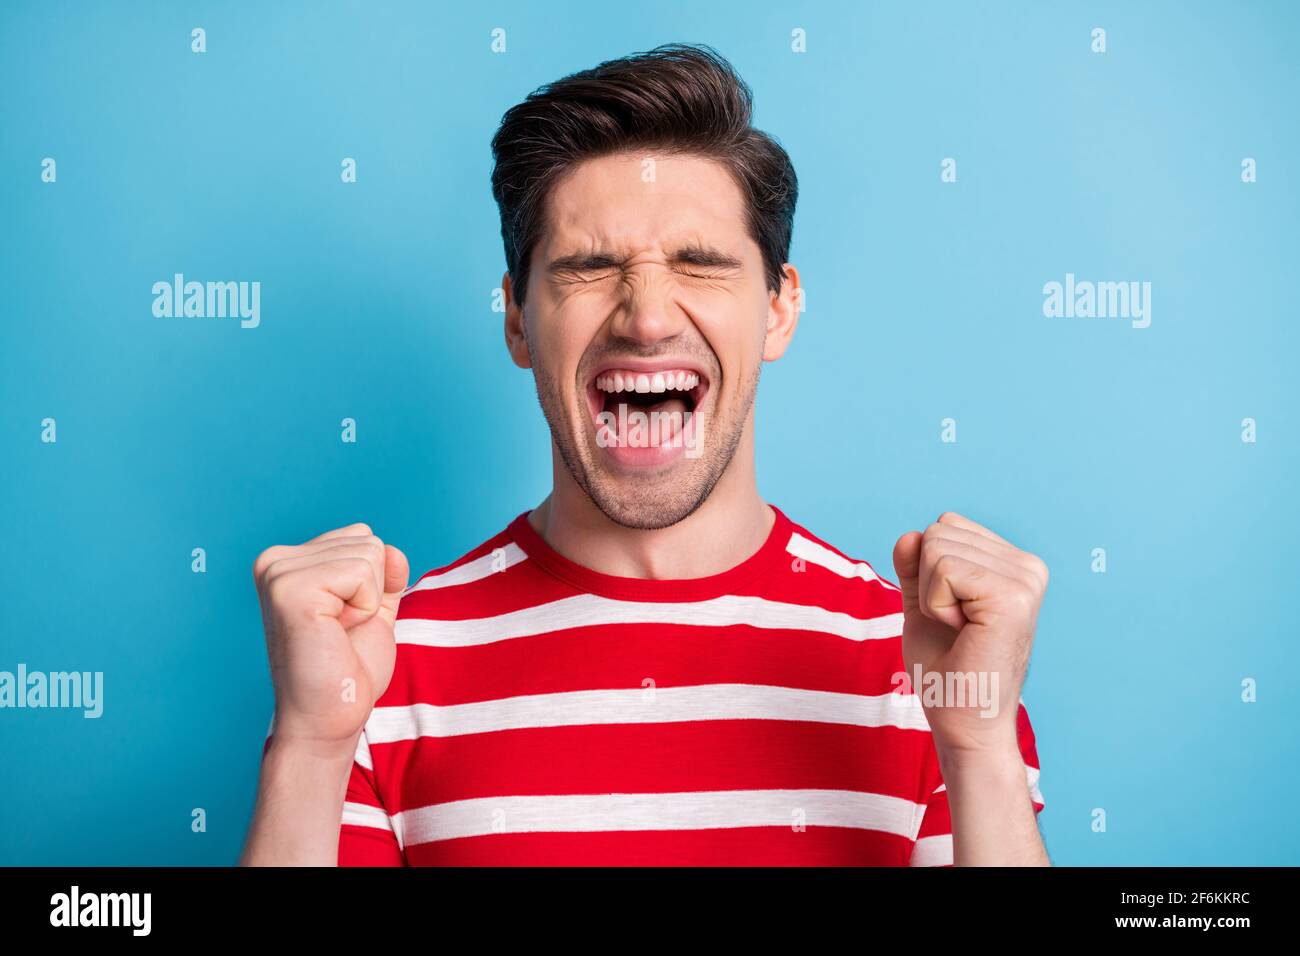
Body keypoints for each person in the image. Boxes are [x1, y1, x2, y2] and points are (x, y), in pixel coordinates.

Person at [240, 43, 1050, 867]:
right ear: (518, 321)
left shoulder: (930, 663)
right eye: (591, 268)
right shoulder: (375, 666)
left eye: (700, 265)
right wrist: (309, 744)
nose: (649, 317)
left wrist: (979, 749)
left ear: (778, 310)